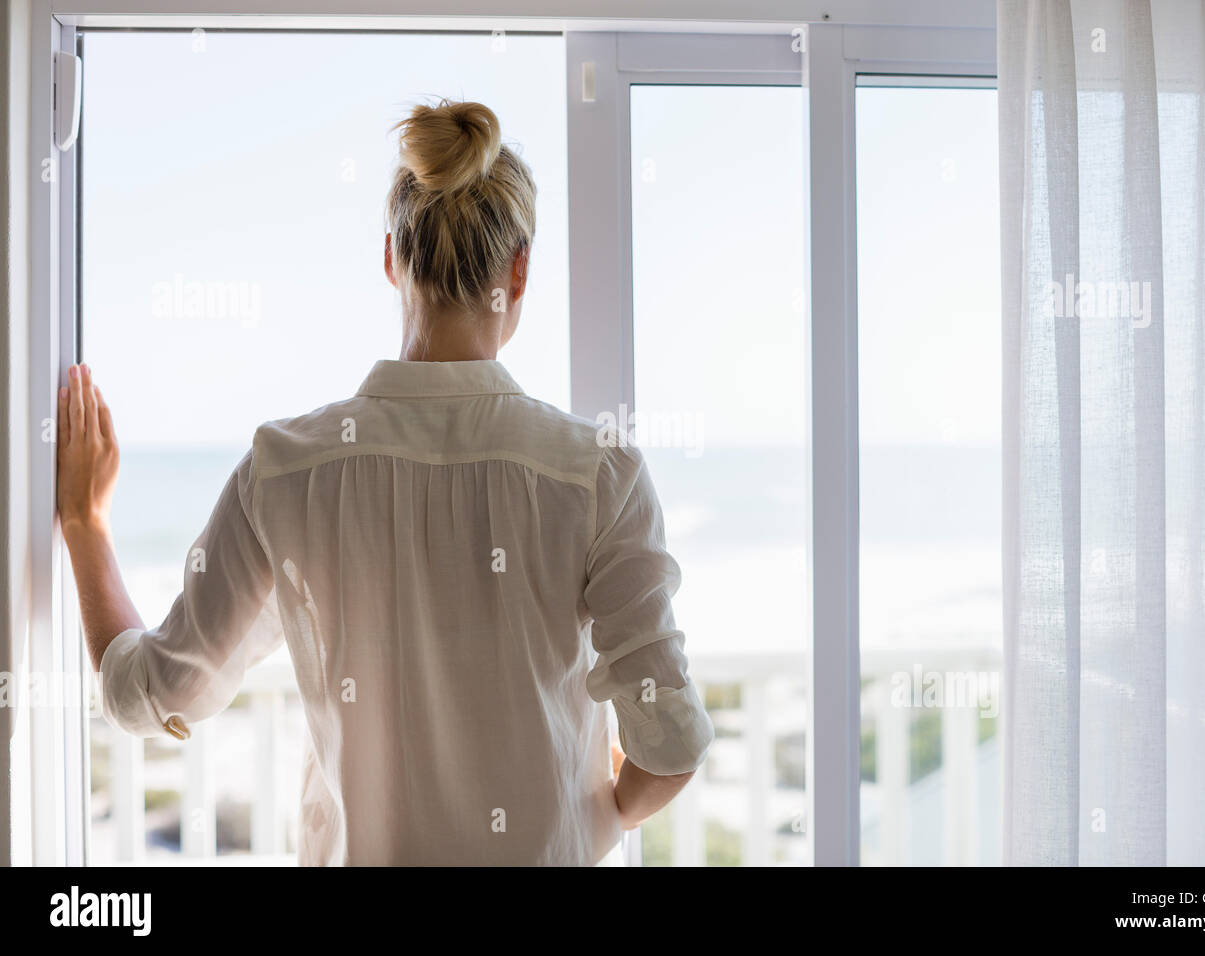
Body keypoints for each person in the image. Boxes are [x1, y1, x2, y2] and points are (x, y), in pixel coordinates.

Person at [55, 98, 713, 866]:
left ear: (393, 257)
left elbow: (156, 693)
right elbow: (669, 748)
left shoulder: (286, 468)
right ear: (520, 269)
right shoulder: (597, 472)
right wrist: (597, 814)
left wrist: (84, 525)